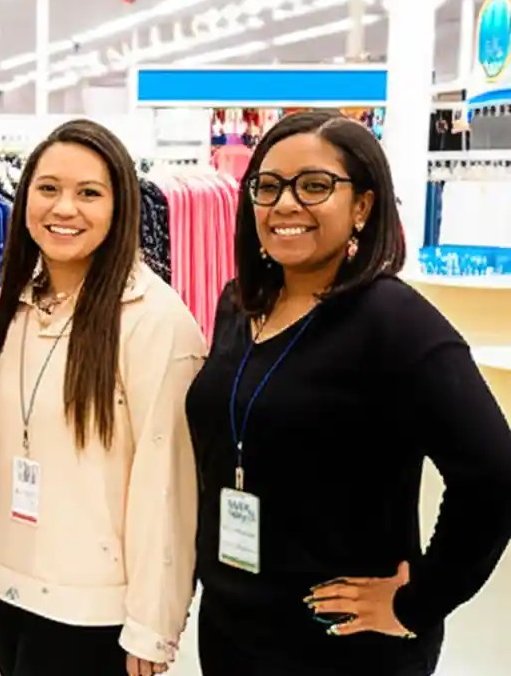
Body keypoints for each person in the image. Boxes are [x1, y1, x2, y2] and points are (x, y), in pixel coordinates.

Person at [185, 111, 511, 676]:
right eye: (268, 186)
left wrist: (419, 602)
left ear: (362, 205)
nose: (285, 204)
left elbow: (494, 474)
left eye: (314, 186)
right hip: (232, 625)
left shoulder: (394, 320)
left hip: (339, 644)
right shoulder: (240, 305)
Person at [0, 120, 204, 676]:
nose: (65, 208)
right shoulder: (5, 309)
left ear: (120, 206)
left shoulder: (156, 323)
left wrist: (154, 624)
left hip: (92, 609)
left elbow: (167, 485)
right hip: (6, 587)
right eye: (48, 188)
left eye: (89, 193)